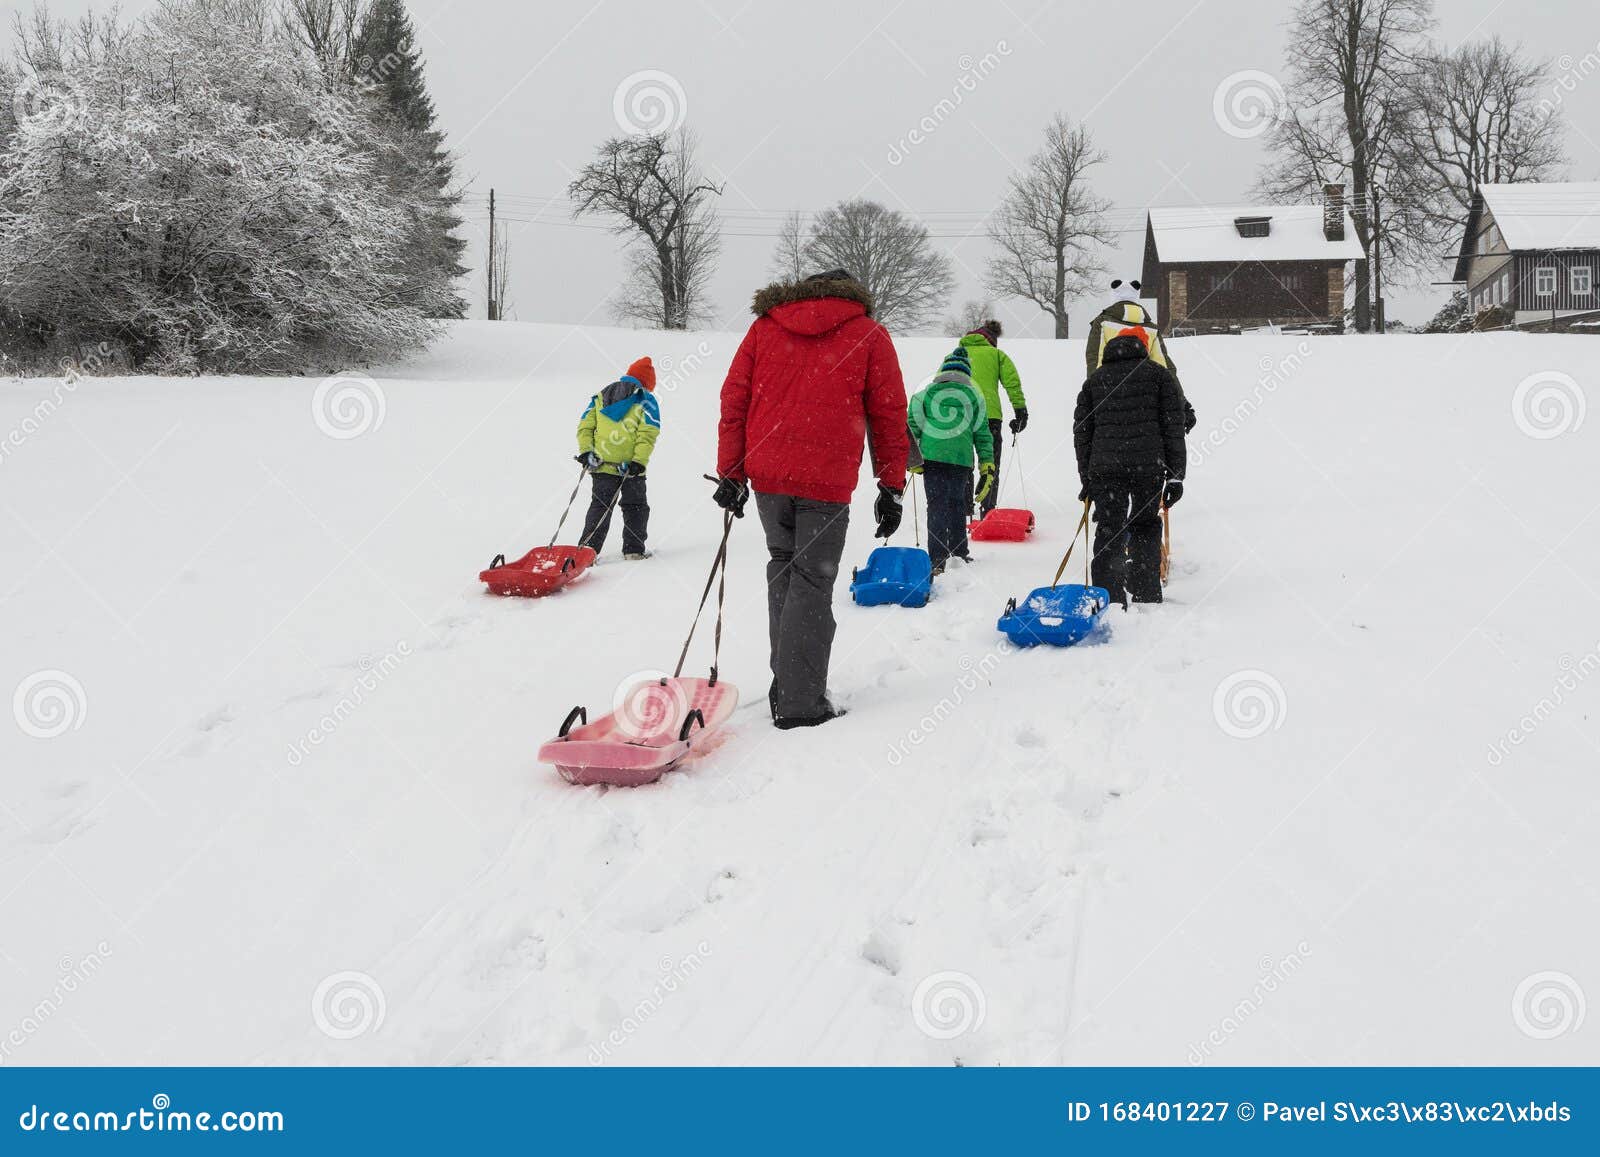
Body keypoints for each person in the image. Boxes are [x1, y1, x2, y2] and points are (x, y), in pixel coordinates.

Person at [712, 269, 909, 729]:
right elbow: (888, 412)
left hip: (769, 476)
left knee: (784, 568)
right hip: (824, 481)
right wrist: (891, 485)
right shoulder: (868, 333)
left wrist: (732, 471)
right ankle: (801, 702)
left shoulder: (766, 327)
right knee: (811, 580)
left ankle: (789, 686)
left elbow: (734, 401)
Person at [1073, 328, 1186, 607]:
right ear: (1143, 347)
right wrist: (1175, 475)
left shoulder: (1094, 381)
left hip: (1105, 469)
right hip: (1147, 467)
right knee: (1145, 525)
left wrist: (1086, 477)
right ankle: (1145, 591)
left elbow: (1082, 432)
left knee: (1109, 529)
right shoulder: (1159, 376)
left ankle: (1107, 598)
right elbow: (1173, 428)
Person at [908, 347, 994, 575]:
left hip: (932, 457)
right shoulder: (974, 397)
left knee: (936, 505)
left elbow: (911, 426)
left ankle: (937, 558)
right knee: (957, 503)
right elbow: (982, 433)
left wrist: (912, 457)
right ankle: (959, 551)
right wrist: (987, 462)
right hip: (961, 459)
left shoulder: (925, 394)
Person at [575, 356, 659, 560]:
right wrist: (638, 462)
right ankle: (633, 550)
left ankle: (587, 552)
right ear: (647, 382)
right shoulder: (647, 400)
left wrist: (587, 452)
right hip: (631, 469)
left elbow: (585, 426)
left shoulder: (600, 396)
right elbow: (647, 433)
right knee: (635, 507)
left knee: (600, 507)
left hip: (601, 464)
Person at [1086, 295, 1197, 434]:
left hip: (1111, 406)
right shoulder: (1151, 329)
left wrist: (1091, 400)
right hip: (1146, 408)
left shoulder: (1103, 323)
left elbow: (1095, 362)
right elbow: (1166, 370)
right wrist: (1182, 404)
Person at [957, 319, 1027, 515]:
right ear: (992, 341)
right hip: (990, 418)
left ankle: (964, 507)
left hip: (960, 417)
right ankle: (988, 508)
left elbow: (941, 384)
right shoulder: (997, 355)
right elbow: (1012, 384)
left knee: (963, 462)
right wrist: (1020, 411)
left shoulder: (956, 355)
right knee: (990, 462)